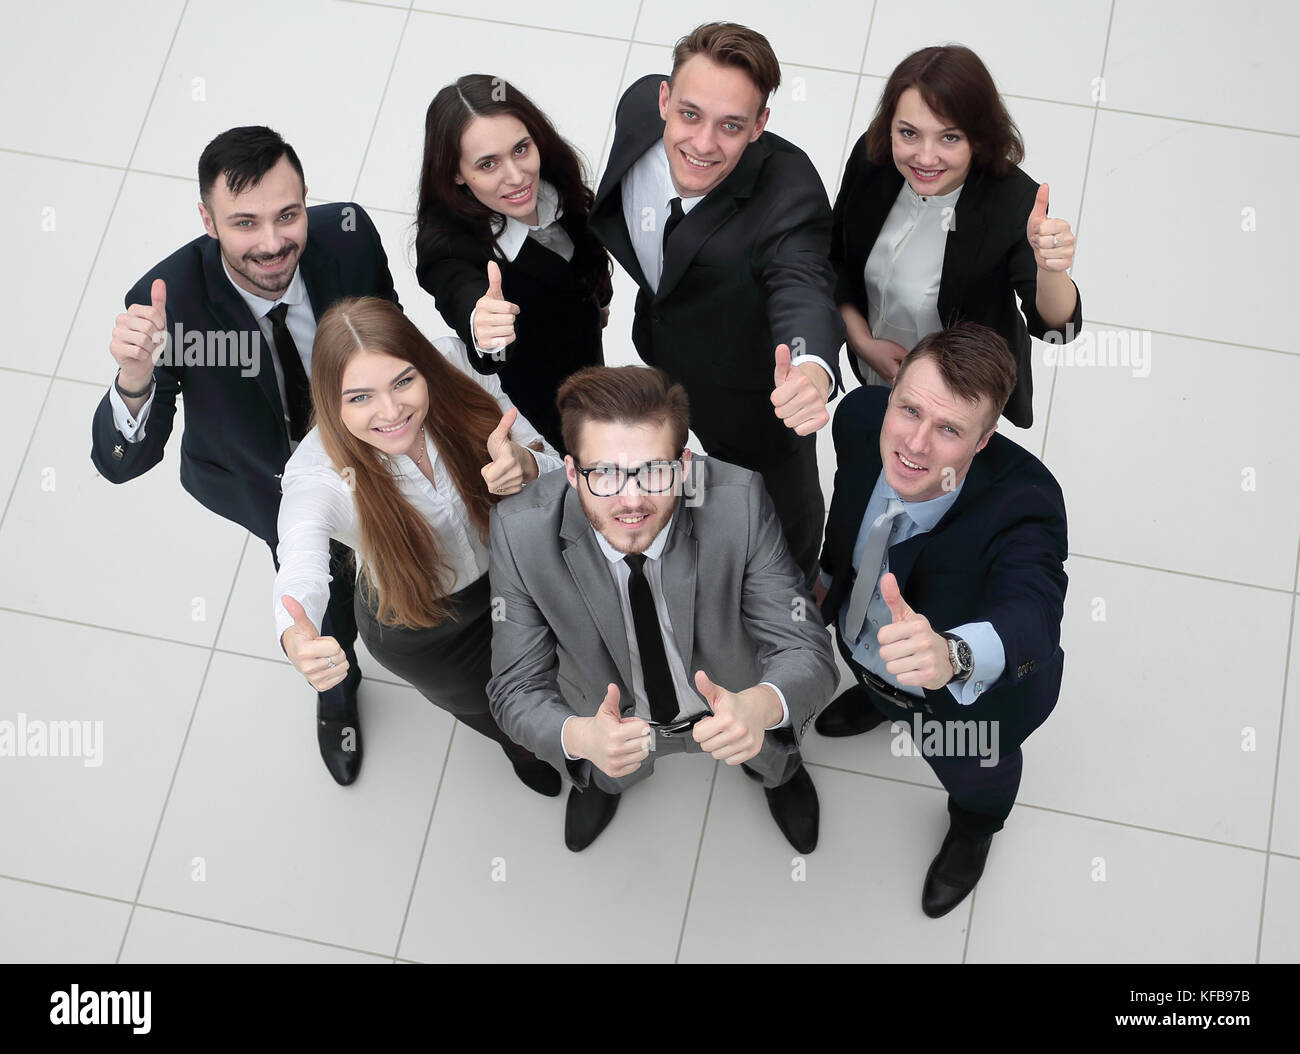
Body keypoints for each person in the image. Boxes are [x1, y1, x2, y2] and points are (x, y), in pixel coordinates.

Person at [90, 125, 400, 786]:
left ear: (306, 199)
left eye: (288, 215)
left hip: (373, 445)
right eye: (244, 223)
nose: (272, 242)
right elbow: (122, 461)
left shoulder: (347, 237)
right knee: (322, 593)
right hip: (270, 482)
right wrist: (136, 379)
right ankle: (336, 690)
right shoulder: (165, 302)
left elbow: (391, 331)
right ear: (207, 219)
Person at [487, 365, 837, 853]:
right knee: (608, 771)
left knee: (771, 753)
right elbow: (514, 688)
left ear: (685, 466)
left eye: (653, 470)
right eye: (604, 473)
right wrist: (582, 738)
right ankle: (605, 785)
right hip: (610, 721)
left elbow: (808, 652)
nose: (631, 500)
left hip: (732, 702)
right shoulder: (518, 530)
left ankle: (780, 775)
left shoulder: (739, 502)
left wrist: (757, 709)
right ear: (571, 472)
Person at [813, 322, 1068, 917]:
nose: (915, 445)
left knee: (976, 774)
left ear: (983, 442)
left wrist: (953, 656)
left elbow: (1033, 612)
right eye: (910, 411)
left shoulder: (1025, 504)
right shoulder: (859, 419)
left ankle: (974, 831)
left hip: (961, 704)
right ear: (893, 390)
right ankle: (879, 700)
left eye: (949, 429)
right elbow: (847, 516)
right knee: (875, 683)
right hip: (863, 639)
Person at [274, 296, 562, 797]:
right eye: (359, 397)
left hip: (519, 574)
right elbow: (299, 559)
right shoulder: (315, 474)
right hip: (427, 625)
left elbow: (547, 455)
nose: (391, 412)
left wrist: (529, 464)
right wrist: (295, 633)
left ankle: (584, 751)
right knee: (496, 711)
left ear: (423, 367)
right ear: (330, 400)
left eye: (404, 381)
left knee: (565, 677)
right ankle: (528, 751)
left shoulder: (452, 361)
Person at [588, 22, 845, 584]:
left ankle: (800, 587)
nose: (703, 144)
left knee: (783, 505)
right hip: (661, 351)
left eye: (731, 126)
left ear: (759, 126)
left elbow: (802, 282)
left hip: (751, 394)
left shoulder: (789, 190)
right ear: (663, 100)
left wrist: (810, 368)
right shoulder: (636, 111)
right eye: (689, 115)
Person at [830, 44, 1083, 427]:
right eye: (909, 133)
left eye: (949, 138)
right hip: (875, 364)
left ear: (978, 139)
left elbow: (1057, 332)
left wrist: (1052, 270)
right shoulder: (872, 159)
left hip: (956, 397)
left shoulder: (1013, 203)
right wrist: (863, 343)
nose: (926, 158)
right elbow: (834, 260)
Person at [415, 74, 612, 454]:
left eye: (520, 149)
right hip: (542, 404)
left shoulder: (556, 178)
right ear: (456, 173)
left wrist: (599, 300)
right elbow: (464, 297)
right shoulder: (447, 245)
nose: (517, 176)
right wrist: (483, 326)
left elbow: (587, 247)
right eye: (488, 165)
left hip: (589, 362)